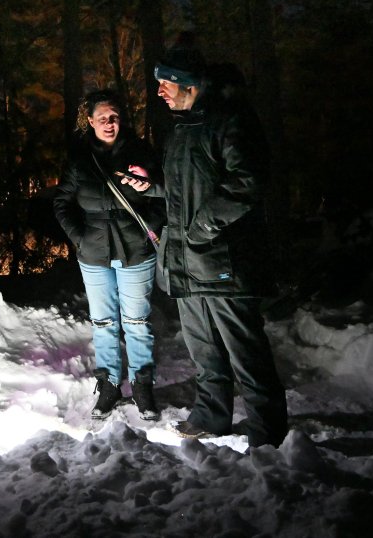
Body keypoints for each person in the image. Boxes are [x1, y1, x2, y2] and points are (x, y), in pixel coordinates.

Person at [124, 35, 288, 447]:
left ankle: (268, 433)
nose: (158, 90)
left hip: (223, 260)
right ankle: (212, 416)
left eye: (166, 82)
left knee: (245, 352)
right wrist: (151, 186)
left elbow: (247, 183)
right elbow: (186, 191)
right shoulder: (183, 129)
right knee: (204, 352)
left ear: (189, 84)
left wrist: (201, 229)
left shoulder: (230, 121)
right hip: (187, 261)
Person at [54, 89, 166, 421]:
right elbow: (62, 202)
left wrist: (151, 229)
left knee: (137, 322)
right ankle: (109, 385)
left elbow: (161, 196)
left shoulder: (141, 152)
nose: (109, 123)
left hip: (135, 250)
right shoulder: (80, 161)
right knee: (103, 322)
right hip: (93, 253)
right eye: (102, 118)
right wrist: (79, 237)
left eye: (114, 116)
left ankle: (143, 386)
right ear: (90, 121)